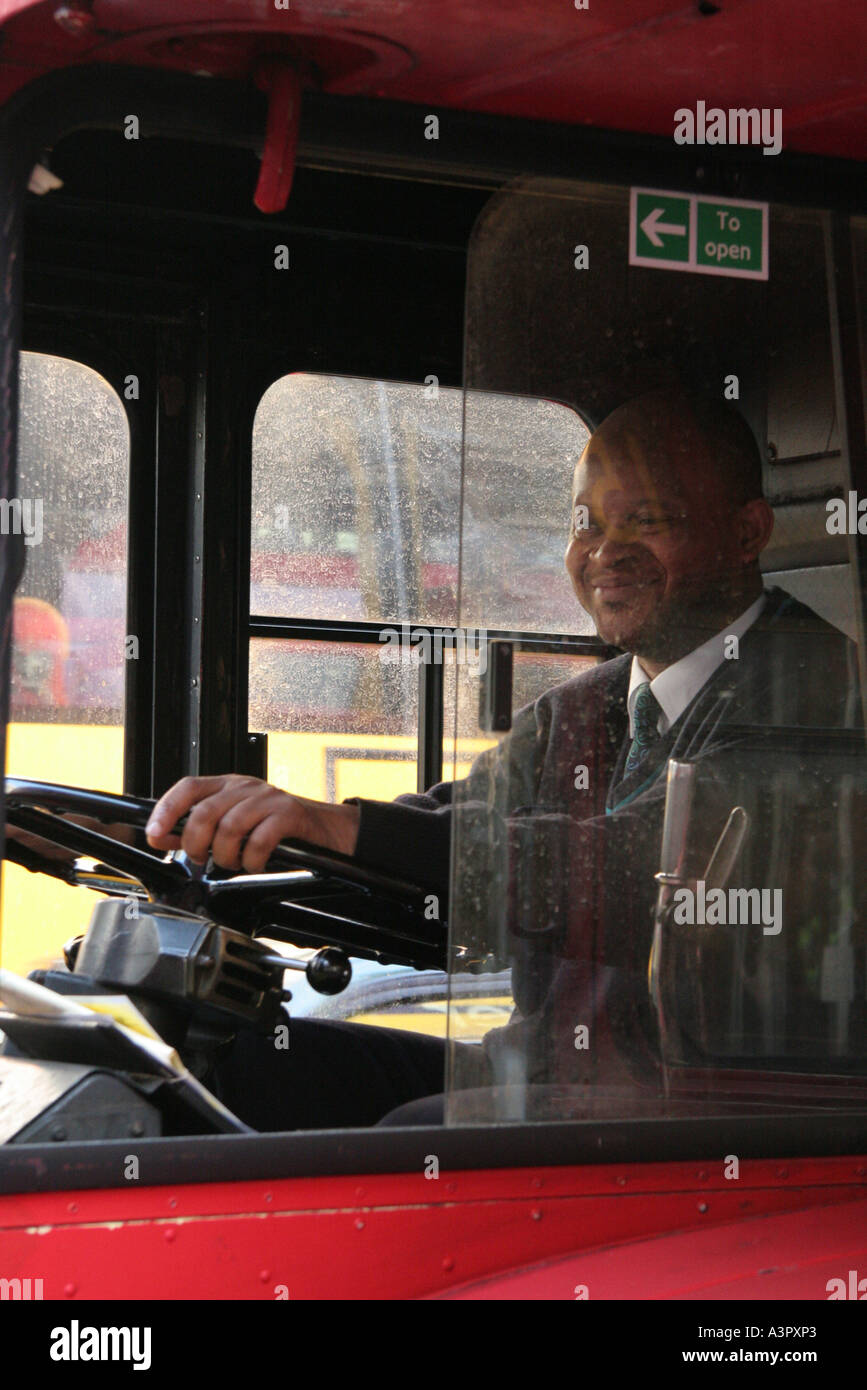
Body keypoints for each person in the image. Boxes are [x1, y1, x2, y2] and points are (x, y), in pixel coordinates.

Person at [99, 389, 867, 1125]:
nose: (603, 551)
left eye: (647, 518)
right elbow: (452, 828)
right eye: (585, 522)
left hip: (713, 1112)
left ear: (746, 533)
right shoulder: (581, 706)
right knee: (241, 1067)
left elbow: (631, 869)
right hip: (549, 1076)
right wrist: (201, 840)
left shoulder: (821, 692)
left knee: (411, 1137)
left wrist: (341, 827)